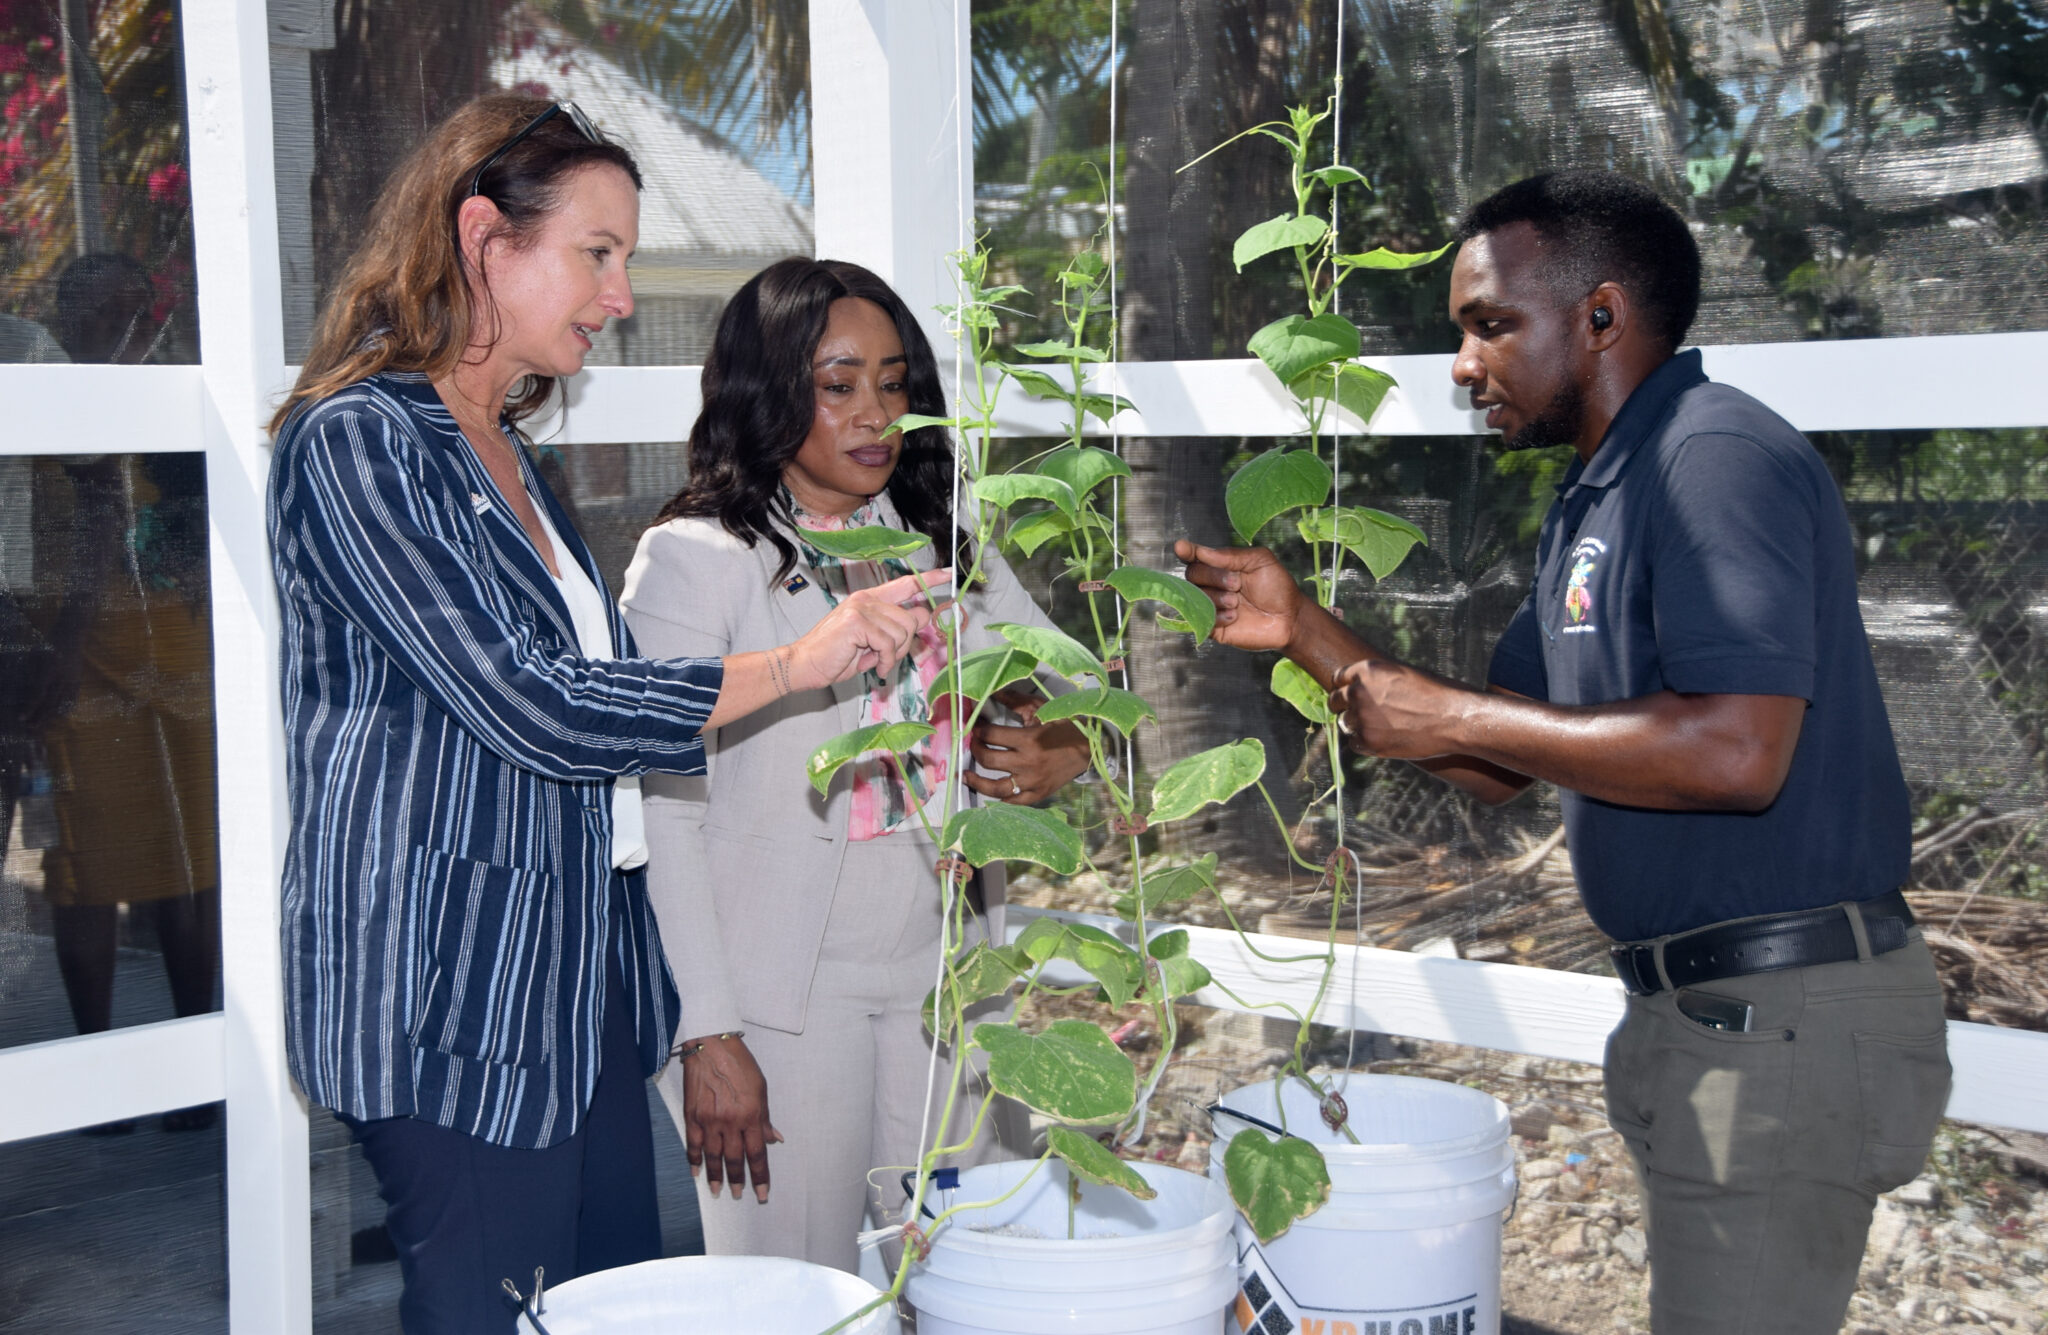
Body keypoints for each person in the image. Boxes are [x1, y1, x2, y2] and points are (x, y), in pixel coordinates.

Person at [1178, 171, 1950, 1335]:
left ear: (1598, 318)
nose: (1459, 363)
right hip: (1699, 1016)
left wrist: (1461, 720)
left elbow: (1741, 752)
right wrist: (1306, 632)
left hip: (1783, 1015)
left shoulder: (1712, 457)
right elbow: (1496, 756)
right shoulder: (1597, 498)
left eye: (1488, 325)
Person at [265, 97, 946, 1334]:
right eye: (598, 253)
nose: (620, 294)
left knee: (611, 1309)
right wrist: (801, 662)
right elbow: (535, 704)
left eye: (624, 259)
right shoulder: (358, 442)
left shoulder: (509, 450)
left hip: (573, 1001)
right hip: (451, 1003)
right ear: (484, 237)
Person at [618, 258, 1092, 1273]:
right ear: (770, 392)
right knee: (796, 1296)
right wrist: (707, 1034)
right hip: (781, 1002)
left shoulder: (938, 539)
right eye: (838, 386)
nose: (875, 413)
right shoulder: (696, 559)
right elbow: (666, 812)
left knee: (963, 1283)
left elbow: (1075, 682)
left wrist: (1065, 742)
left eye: (893, 383)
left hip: (945, 983)